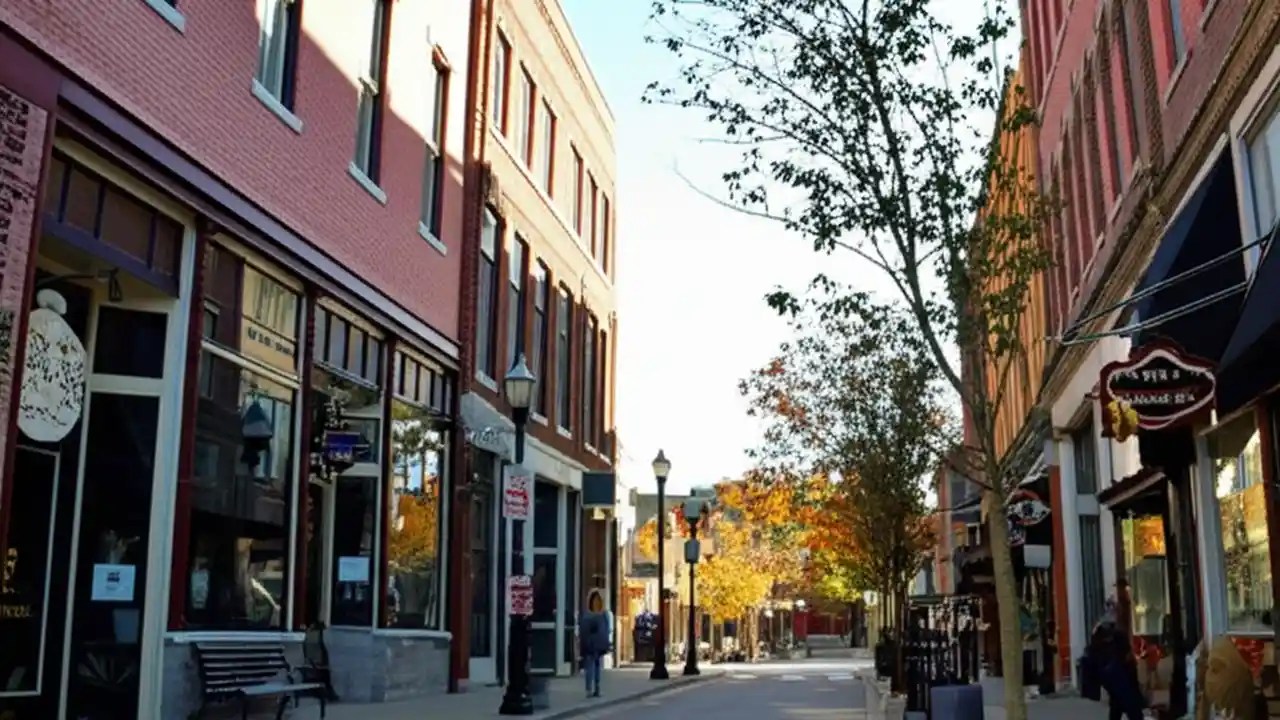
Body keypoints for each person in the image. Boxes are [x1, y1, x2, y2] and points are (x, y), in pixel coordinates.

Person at [579, 589, 612, 698]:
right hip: (590, 645)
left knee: (597, 667)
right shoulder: (588, 615)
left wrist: (607, 643)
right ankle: (589, 689)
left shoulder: (604, 615)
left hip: (599, 645)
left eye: (598, 601)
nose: (596, 603)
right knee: (590, 667)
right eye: (594, 600)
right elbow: (584, 631)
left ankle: (597, 688)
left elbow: (606, 630)